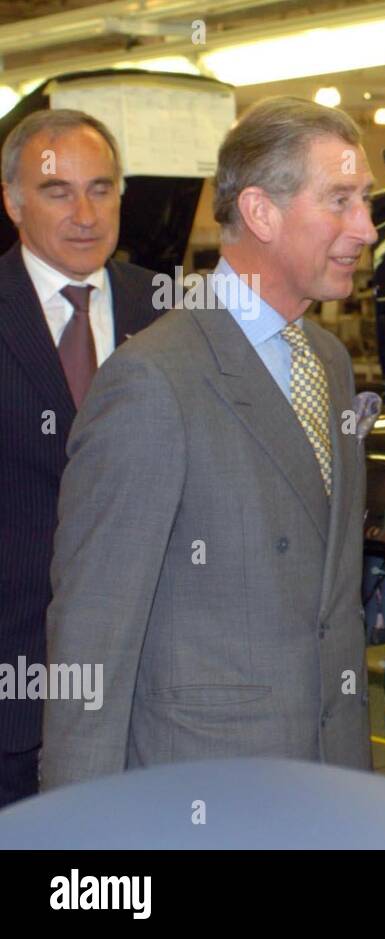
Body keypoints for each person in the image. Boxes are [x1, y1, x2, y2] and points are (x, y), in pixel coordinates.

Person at [40, 97, 378, 789]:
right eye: (340, 201)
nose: (367, 229)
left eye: (365, 201)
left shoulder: (326, 360)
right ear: (259, 212)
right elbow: (94, 636)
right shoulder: (152, 381)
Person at [0, 109, 160, 808]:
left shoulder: (170, 311)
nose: (86, 213)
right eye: (57, 191)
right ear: (12, 200)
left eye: (102, 187)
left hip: (151, 687)